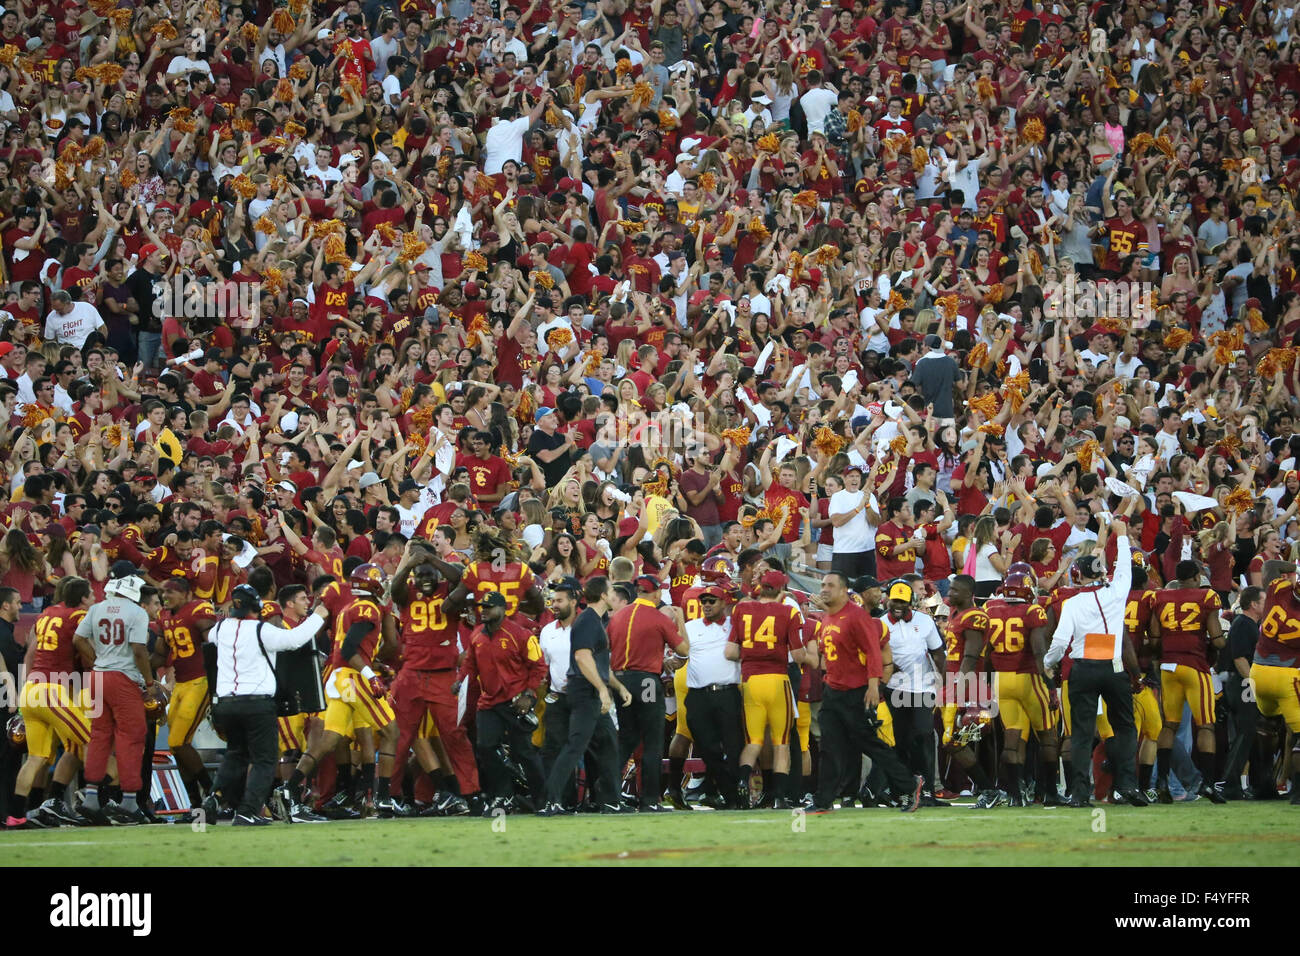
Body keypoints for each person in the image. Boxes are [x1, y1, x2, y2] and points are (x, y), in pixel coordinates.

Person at [1043, 500, 1147, 808]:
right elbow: (1125, 567)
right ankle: (1127, 784)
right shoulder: (1117, 593)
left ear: (1078, 575)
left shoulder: (1072, 602)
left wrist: (1048, 663)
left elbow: (1060, 642)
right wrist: (1122, 535)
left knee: (1082, 734)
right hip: (1114, 668)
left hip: (1083, 670)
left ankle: (1079, 793)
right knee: (1125, 728)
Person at [206, 584, 329, 826]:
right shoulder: (261, 630)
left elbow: (210, 639)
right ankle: (248, 810)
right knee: (265, 759)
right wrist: (319, 617)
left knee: (236, 754)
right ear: (257, 607)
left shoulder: (220, 629)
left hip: (226, 702)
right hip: (257, 703)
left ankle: (215, 796)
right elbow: (294, 640)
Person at [806, 571, 923, 812]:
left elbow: (872, 651)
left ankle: (910, 784)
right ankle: (823, 800)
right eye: (823, 584)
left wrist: (872, 686)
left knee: (869, 744)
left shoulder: (856, 617)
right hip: (833, 690)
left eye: (830, 585)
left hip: (855, 691)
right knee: (829, 746)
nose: (824, 589)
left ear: (843, 590)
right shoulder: (829, 617)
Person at [538, 578, 632, 816]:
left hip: (588, 688)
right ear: (602, 595)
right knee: (574, 746)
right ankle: (551, 800)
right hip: (584, 691)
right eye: (611, 591)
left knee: (609, 743)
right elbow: (582, 658)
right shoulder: (588, 621)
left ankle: (610, 801)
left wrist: (618, 687)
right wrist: (602, 689)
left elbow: (598, 663)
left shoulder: (594, 620)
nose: (613, 595)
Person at [72, 574, 157, 825]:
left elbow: (78, 639)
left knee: (99, 735)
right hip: (123, 678)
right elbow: (139, 650)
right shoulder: (137, 613)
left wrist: (97, 658)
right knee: (131, 736)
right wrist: (150, 682)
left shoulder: (97, 608)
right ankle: (129, 800)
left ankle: (90, 796)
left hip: (98, 677)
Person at [455, 590, 548, 815]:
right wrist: (459, 681)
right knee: (485, 747)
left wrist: (528, 694)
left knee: (523, 751)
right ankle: (503, 795)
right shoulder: (477, 635)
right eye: (482, 607)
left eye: (488, 608)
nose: (483, 611)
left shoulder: (521, 634)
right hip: (488, 702)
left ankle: (542, 799)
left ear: (503, 610)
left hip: (515, 700)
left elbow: (539, 667)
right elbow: (470, 663)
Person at [606, 574, 688, 811]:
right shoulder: (657, 617)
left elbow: (607, 647)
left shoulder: (618, 616)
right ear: (657, 593)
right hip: (647, 682)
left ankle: (610, 796)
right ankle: (649, 800)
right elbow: (683, 649)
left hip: (621, 680)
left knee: (625, 740)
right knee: (653, 741)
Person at [1148, 559, 1225, 804]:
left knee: (1168, 725)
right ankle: (1209, 785)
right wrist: (1223, 642)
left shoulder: (1159, 598)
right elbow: (1216, 638)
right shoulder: (1206, 597)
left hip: (1168, 666)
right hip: (1194, 665)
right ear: (1195, 577)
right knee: (1206, 726)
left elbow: (1155, 638)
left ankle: (1162, 781)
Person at [727, 569, 807, 808]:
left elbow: (730, 652)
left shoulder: (741, 609)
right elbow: (798, 654)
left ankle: (742, 784)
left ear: (761, 587)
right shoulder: (789, 611)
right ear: (781, 591)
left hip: (750, 681)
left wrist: (753, 654)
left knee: (754, 741)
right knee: (781, 742)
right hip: (777, 679)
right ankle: (779, 797)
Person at [880, 581, 946, 804]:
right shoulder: (880, 623)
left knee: (924, 735)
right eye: (895, 600)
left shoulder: (925, 621)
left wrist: (946, 683)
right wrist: (887, 666)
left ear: (910, 603)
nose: (898, 605)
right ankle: (902, 789)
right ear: (888, 599)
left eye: (903, 602)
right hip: (894, 687)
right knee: (900, 738)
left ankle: (927, 790)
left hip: (922, 687)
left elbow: (938, 652)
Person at [683, 582, 744, 809]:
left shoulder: (734, 625)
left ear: (724, 603)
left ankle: (729, 796)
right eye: (703, 601)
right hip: (698, 694)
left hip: (727, 692)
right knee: (707, 747)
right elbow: (681, 654)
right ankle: (728, 793)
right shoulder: (691, 626)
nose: (706, 605)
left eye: (711, 601)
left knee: (733, 746)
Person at [1219, 586, 1263, 799]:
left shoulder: (1249, 624)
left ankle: (1256, 784)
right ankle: (1229, 784)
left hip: (1243, 683)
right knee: (1245, 733)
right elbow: (1239, 658)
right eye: (1263, 601)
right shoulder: (1243, 624)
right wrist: (1252, 685)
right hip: (1243, 684)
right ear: (1254, 604)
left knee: (1249, 734)